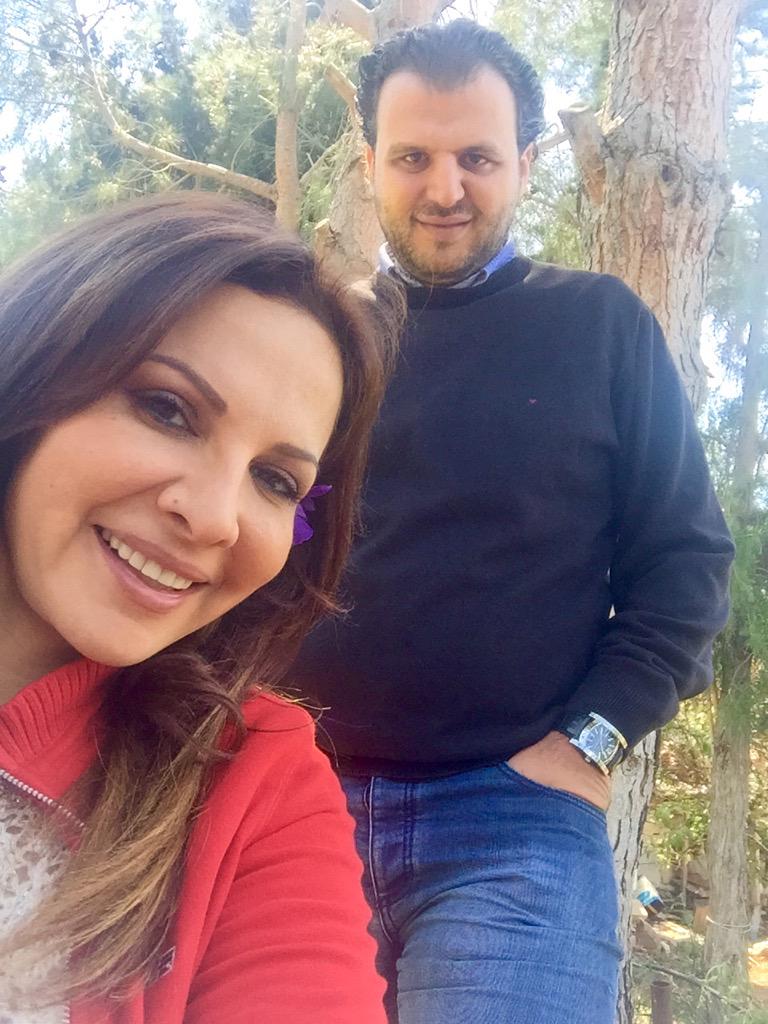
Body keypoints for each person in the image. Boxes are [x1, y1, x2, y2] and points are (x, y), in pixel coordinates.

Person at [291, 19, 735, 1024]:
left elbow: (684, 564)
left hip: (511, 822)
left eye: (478, 158)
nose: (444, 188)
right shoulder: (320, 338)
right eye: (413, 157)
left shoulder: (601, 327)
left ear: (526, 164)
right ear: (372, 161)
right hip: (294, 802)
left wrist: (591, 741)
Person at [0, 192, 398, 1023]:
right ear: (31, 364)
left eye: (275, 480)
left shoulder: (255, 785)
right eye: (167, 409)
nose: (217, 517)